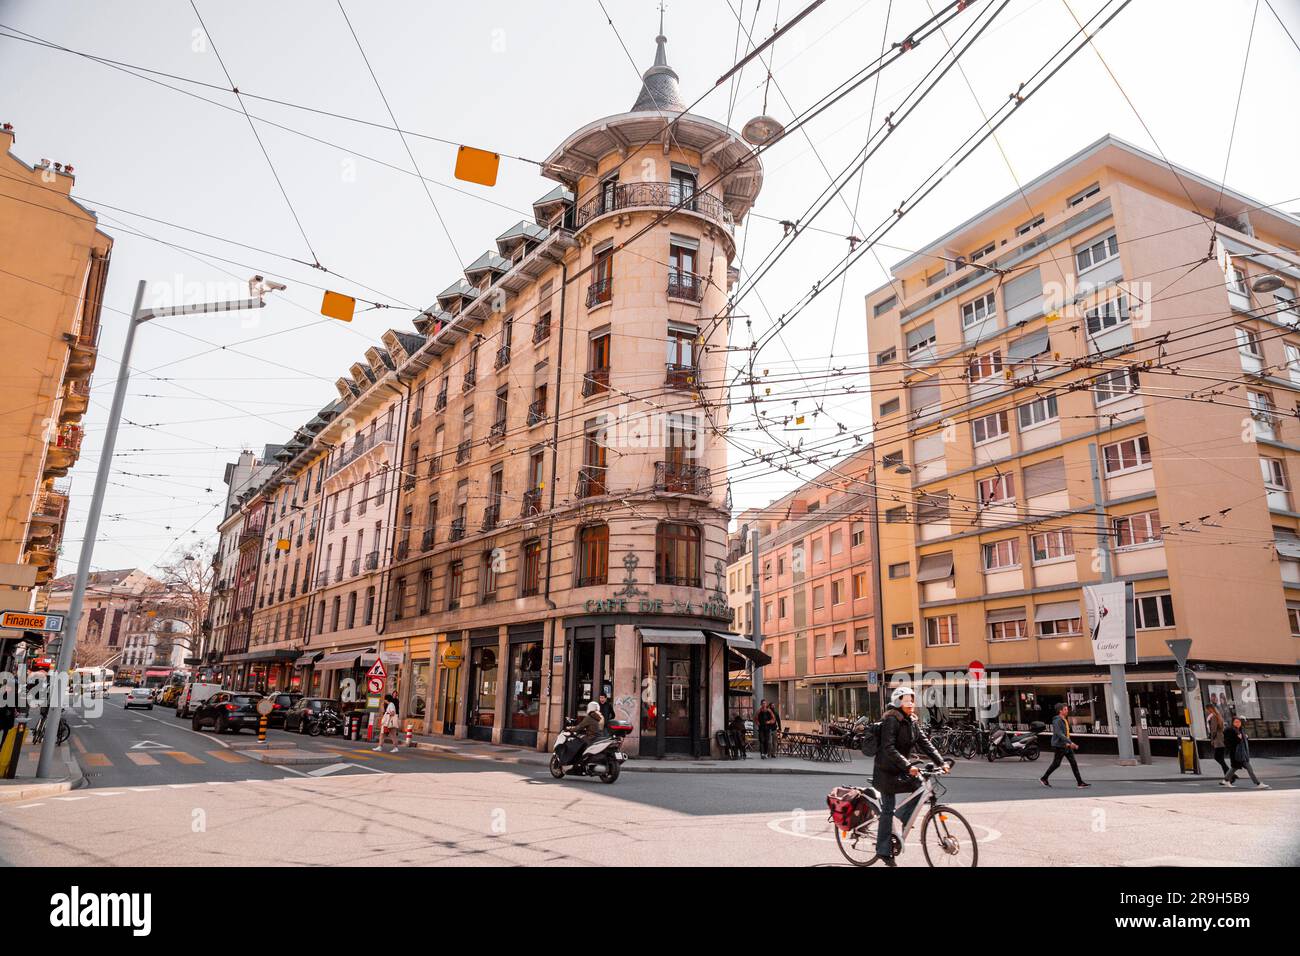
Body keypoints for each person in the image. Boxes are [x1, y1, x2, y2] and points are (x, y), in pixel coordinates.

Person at [872, 686, 948, 867]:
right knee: (887, 810)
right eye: (907, 701)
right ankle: (883, 851)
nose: (911, 704)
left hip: (901, 769)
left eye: (912, 700)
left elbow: (925, 743)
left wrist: (941, 762)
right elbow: (888, 748)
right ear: (899, 703)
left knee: (920, 785)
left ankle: (904, 814)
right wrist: (908, 766)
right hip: (886, 772)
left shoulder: (911, 720)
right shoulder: (892, 719)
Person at [1040, 702, 1089, 788]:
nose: (1067, 711)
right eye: (1065, 709)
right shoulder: (1057, 721)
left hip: (1066, 745)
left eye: (1067, 709)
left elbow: (1065, 734)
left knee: (1073, 763)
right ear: (1060, 711)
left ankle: (1080, 782)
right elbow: (1059, 734)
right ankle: (1044, 778)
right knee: (1056, 763)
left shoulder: (1064, 720)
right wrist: (1071, 743)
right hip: (1059, 746)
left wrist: (1069, 743)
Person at [1222, 716, 1269, 789]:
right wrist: (1238, 739)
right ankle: (1258, 783)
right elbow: (1229, 742)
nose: (1237, 724)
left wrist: (1245, 737)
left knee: (1234, 767)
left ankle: (1225, 780)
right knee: (1249, 768)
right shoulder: (1231, 731)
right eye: (1235, 722)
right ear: (1233, 723)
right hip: (1236, 754)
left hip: (1241, 753)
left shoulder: (1240, 730)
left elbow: (1243, 740)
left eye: (1239, 722)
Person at [1206, 703, 1229, 777]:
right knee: (1220, 758)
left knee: (1217, 757)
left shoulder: (1214, 717)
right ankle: (1228, 775)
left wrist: (1212, 739)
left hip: (1217, 739)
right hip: (1221, 737)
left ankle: (1230, 773)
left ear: (1210, 709)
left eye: (1207, 709)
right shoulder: (1218, 715)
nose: (1207, 711)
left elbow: (1213, 730)